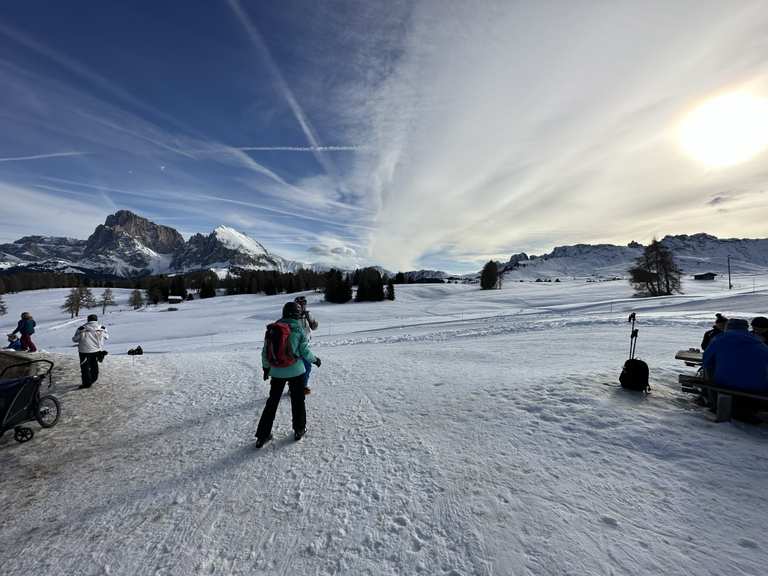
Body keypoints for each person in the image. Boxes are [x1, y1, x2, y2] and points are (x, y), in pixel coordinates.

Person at [255, 301, 321, 448]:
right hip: (296, 371)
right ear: (297, 314)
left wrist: (266, 369)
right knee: (298, 401)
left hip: (277, 372)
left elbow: (265, 352)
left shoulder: (273, 328)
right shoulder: (298, 328)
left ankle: (262, 435)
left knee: (272, 402)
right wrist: (315, 360)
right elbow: (305, 352)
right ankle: (299, 429)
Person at [703, 318, 768, 418]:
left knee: (708, 368)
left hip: (724, 384)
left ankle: (712, 402)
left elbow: (706, 360)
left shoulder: (718, 339)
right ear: (746, 328)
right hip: (757, 387)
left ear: (727, 327)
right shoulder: (760, 343)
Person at [72, 314, 109, 389]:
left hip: (84, 352)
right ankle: (93, 379)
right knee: (94, 365)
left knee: (85, 368)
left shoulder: (81, 328)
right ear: (96, 320)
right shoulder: (102, 327)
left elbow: (75, 339)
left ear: (88, 320)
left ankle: (86, 383)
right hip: (96, 350)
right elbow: (107, 337)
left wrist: (82, 335)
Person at [294, 295, 319, 395]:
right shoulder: (292, 315)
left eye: (303, 304)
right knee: (304, 366)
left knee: (305, 367)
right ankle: (299, 386)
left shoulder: (308, 314)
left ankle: (301, 386)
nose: (302, 306)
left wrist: (311, 320)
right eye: (299, 304)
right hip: (295, 346)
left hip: (305, 345)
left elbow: (314, 327)